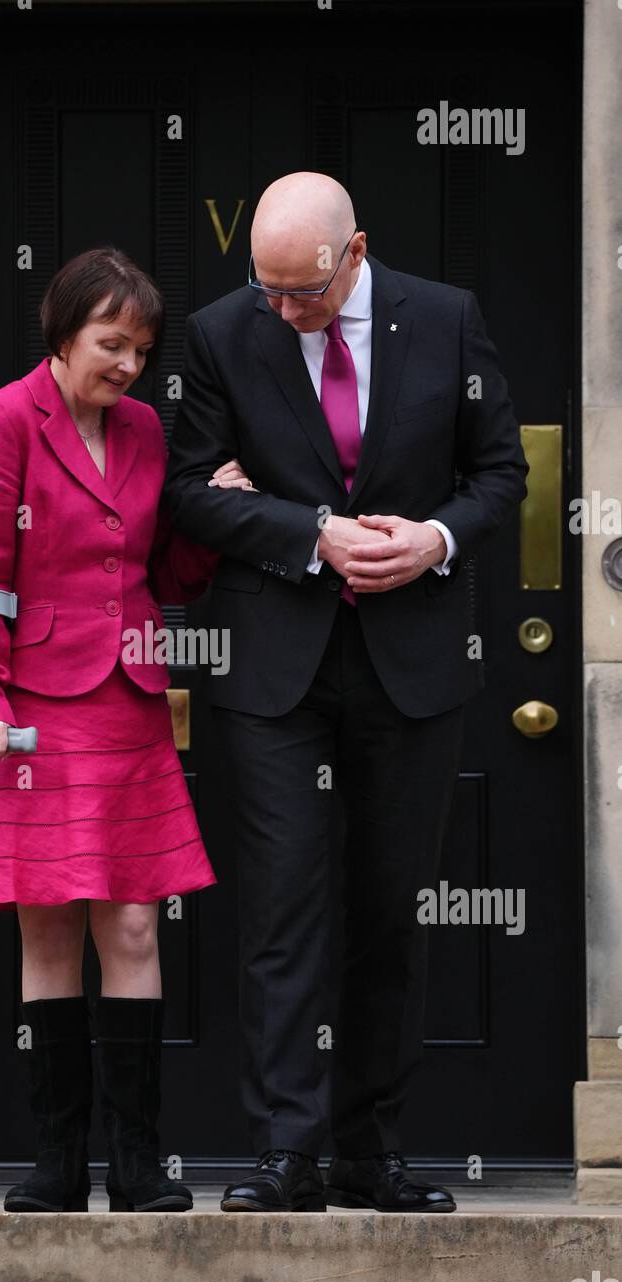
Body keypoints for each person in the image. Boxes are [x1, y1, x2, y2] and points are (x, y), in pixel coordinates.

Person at [163, 172, 529, 1214]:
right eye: (268, 292)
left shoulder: (448, 321)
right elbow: (186, 492)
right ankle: (286, 1153)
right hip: (274, 670)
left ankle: (371, 1152)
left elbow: (500, 473)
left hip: (410, 664)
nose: (285, 314)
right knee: (282, 912)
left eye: (306, 296)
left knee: (387, 916)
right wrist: (305, 531)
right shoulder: (221, 332)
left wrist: (436, 537)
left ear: (354, 252)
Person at [0, 247, 242, 1214]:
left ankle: (140, 1166)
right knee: (47, 928)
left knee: (131, 922)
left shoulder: (150, 431)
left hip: (129, 702)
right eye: (110, 343)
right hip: (26, 707)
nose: (127, 365)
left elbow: (168, 571)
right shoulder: (0, 423)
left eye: (141, 349)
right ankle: (57, 1167)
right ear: (62, 332)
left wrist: (219, 516)